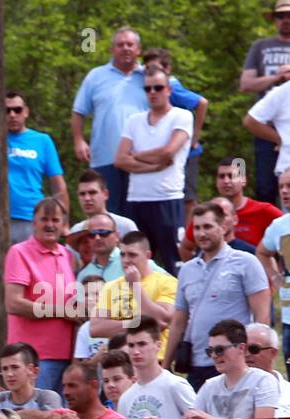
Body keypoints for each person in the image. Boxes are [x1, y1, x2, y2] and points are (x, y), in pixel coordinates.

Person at [163, 202, 271, 391]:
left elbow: (262, 316)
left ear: (223, 226)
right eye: (196, 228)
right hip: (196, 364)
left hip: (234, 362)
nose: (201, 233)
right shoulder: (187, 270)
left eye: (207, 226)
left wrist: (253, 356)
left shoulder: (246, 262)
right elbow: (178, 322)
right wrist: (165, 367)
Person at [114, 63, 192, 274]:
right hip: (137, 200)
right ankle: (139, 306)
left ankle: (179, 307)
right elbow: (120, 159)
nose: (152, 93)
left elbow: (168, 151)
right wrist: (154, 165)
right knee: (135, 263)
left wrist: (137, 156)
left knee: (174, 261)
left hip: (167, 198)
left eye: (158, 87)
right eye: (148, 88)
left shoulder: (182, 116)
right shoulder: (134, 120)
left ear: (169, 90)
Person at [4, 197, 80, 392]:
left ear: (64, 225)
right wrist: (61, 311)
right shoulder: (19, 252)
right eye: (44, 219)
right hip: (33, 357)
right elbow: (13, 303)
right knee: (35, 416)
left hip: (67, 356)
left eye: (55, 220)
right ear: (34, 222)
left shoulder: (68, 255)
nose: (50, 225)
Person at [71, 27, 148, 215]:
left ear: (138, 49)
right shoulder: (96, 76)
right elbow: (78, 111)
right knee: (107, 216)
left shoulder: (150, 76)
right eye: (120, 44)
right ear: (112, 50)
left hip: (141, 160)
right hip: (105, 159)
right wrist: (79, 140)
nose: (125, 48)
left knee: (139, 218)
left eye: (130, 44)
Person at [141, 48, 209, 223]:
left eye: (156, 67)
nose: (152, 72)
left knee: (188, 198)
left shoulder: (173, 88)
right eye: (148, 68)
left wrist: (194, 137)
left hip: (186, 152)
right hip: (166, 150)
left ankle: (189, 237)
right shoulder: (149, 88)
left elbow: (201, 103)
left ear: (167, 69)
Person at [89, 231, 178, 349]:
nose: (126, 260)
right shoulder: (110, 287)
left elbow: (160, 321)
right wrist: (137, 323)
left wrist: (136, 286)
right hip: (118, 361)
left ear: (147, 256)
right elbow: (95, 328)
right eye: (122, 254)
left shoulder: (167, 282)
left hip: (155, 359)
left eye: (132, 255)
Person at [180, 158, 282, 260]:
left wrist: (276, 271)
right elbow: (185, 248)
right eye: (221, 176)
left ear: (244, 180)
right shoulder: (206, 213)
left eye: (231, 176)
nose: (226, 181)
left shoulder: (264, 211)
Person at [0, 91, 67, 243]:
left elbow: (58, 184)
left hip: (32, 217)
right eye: (6, 110)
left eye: (17, 110)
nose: (12, 115)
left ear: (26, 112)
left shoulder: (42, 140)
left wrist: (64, 221)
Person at [240, 2, 290, 205]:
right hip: (266, 127)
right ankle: (271, 233)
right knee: (266, 186)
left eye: (289, 15)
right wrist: (277, 78)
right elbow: (245, 84)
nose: (286, 20)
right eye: (280, 16)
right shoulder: (261, 46)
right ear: (275, 20)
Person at [187, 319, 279, 419]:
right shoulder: (209, 386)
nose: (214, 355)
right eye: (210, 351)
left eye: (219, 350)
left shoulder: (263, 381)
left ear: (241, 348)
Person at [115, 316, 196, 419]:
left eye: (142, 344)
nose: (136, 351)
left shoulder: (175, 385)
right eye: (131, 345)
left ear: (158, 345)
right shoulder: (125, 398)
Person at [0, 342, 75, 419]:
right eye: (5, 369)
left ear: (33, 371)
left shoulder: (47, 397)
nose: (9, 374)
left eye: (15, 367)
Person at [72, 169, 139, 236]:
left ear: (105, 194)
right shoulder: (75, 231)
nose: (87, 198)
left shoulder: (125, 227)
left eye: (92, 192)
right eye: (82, 194)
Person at [245, 322, 290, 414]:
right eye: (242, 349)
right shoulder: (220, 390)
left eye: (253, 349)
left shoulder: (287, 393)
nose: (246, 354)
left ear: (273, 353)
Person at [63, 361, 127, 419]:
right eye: (64, 386)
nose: (65, 392)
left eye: (72, 386)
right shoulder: (62, 418)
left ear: (93, 385)